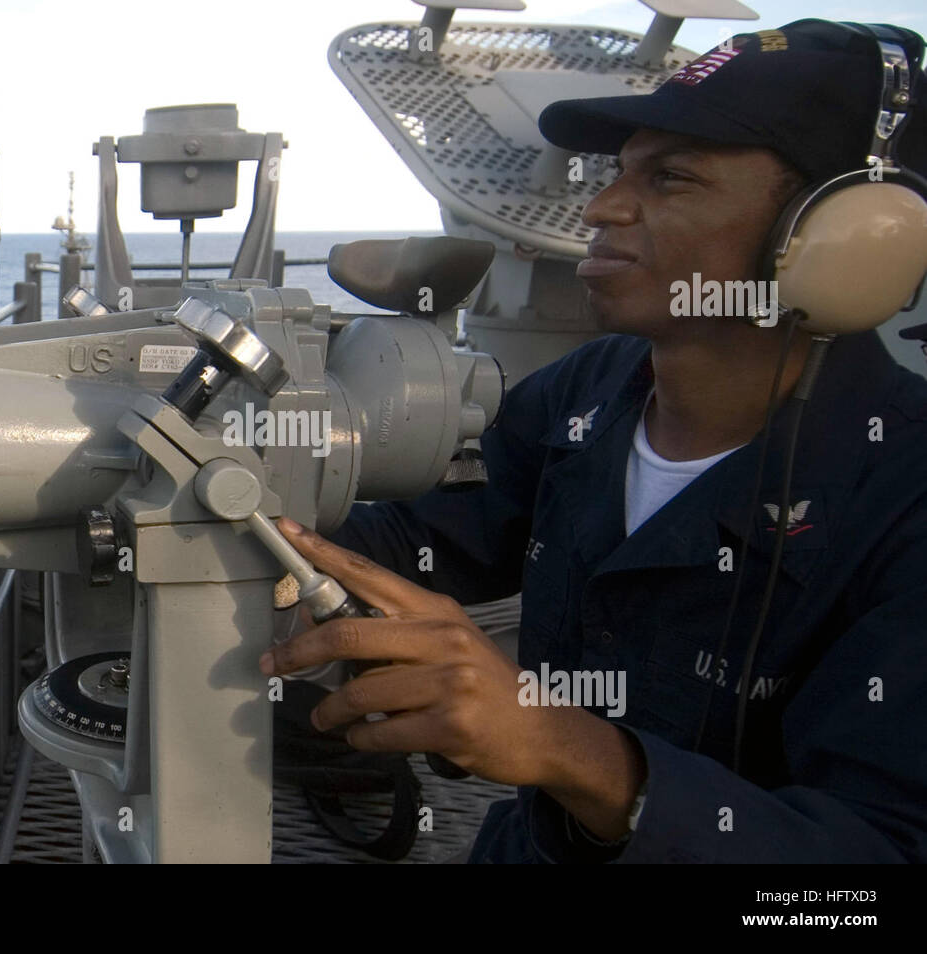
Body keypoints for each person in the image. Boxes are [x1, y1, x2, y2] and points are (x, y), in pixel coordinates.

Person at [263, 19, 927, 862]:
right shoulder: (592, 390)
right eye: (618, 173)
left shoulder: (903, 497)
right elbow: (427, 540)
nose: (602, 207)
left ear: (836, 235)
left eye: (672, 178)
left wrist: (567, 751)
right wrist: (248, 528)